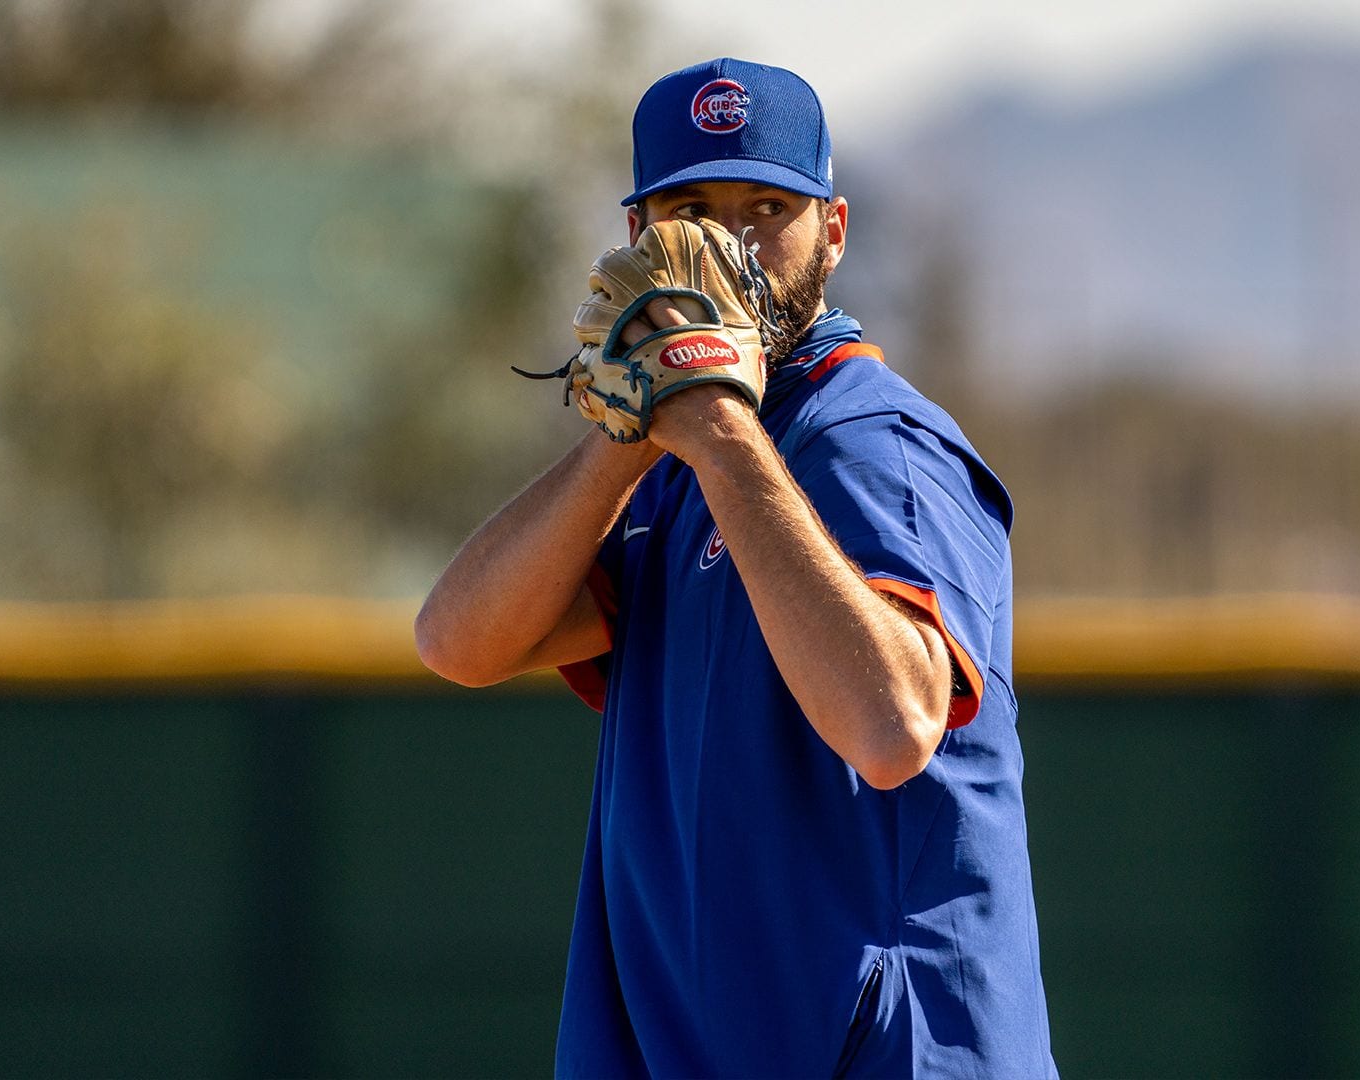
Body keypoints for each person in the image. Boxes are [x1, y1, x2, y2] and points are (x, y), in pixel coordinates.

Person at [416, 57, 1058, 1078]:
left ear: (833, 233)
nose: (734, 242)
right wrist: (630, 433)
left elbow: (894, 728)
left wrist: (715, 434)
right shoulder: (665, 471)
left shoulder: (870, 441)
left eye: (769, 206)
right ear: (641, 239)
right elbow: (457, 640)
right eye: (695, 209)